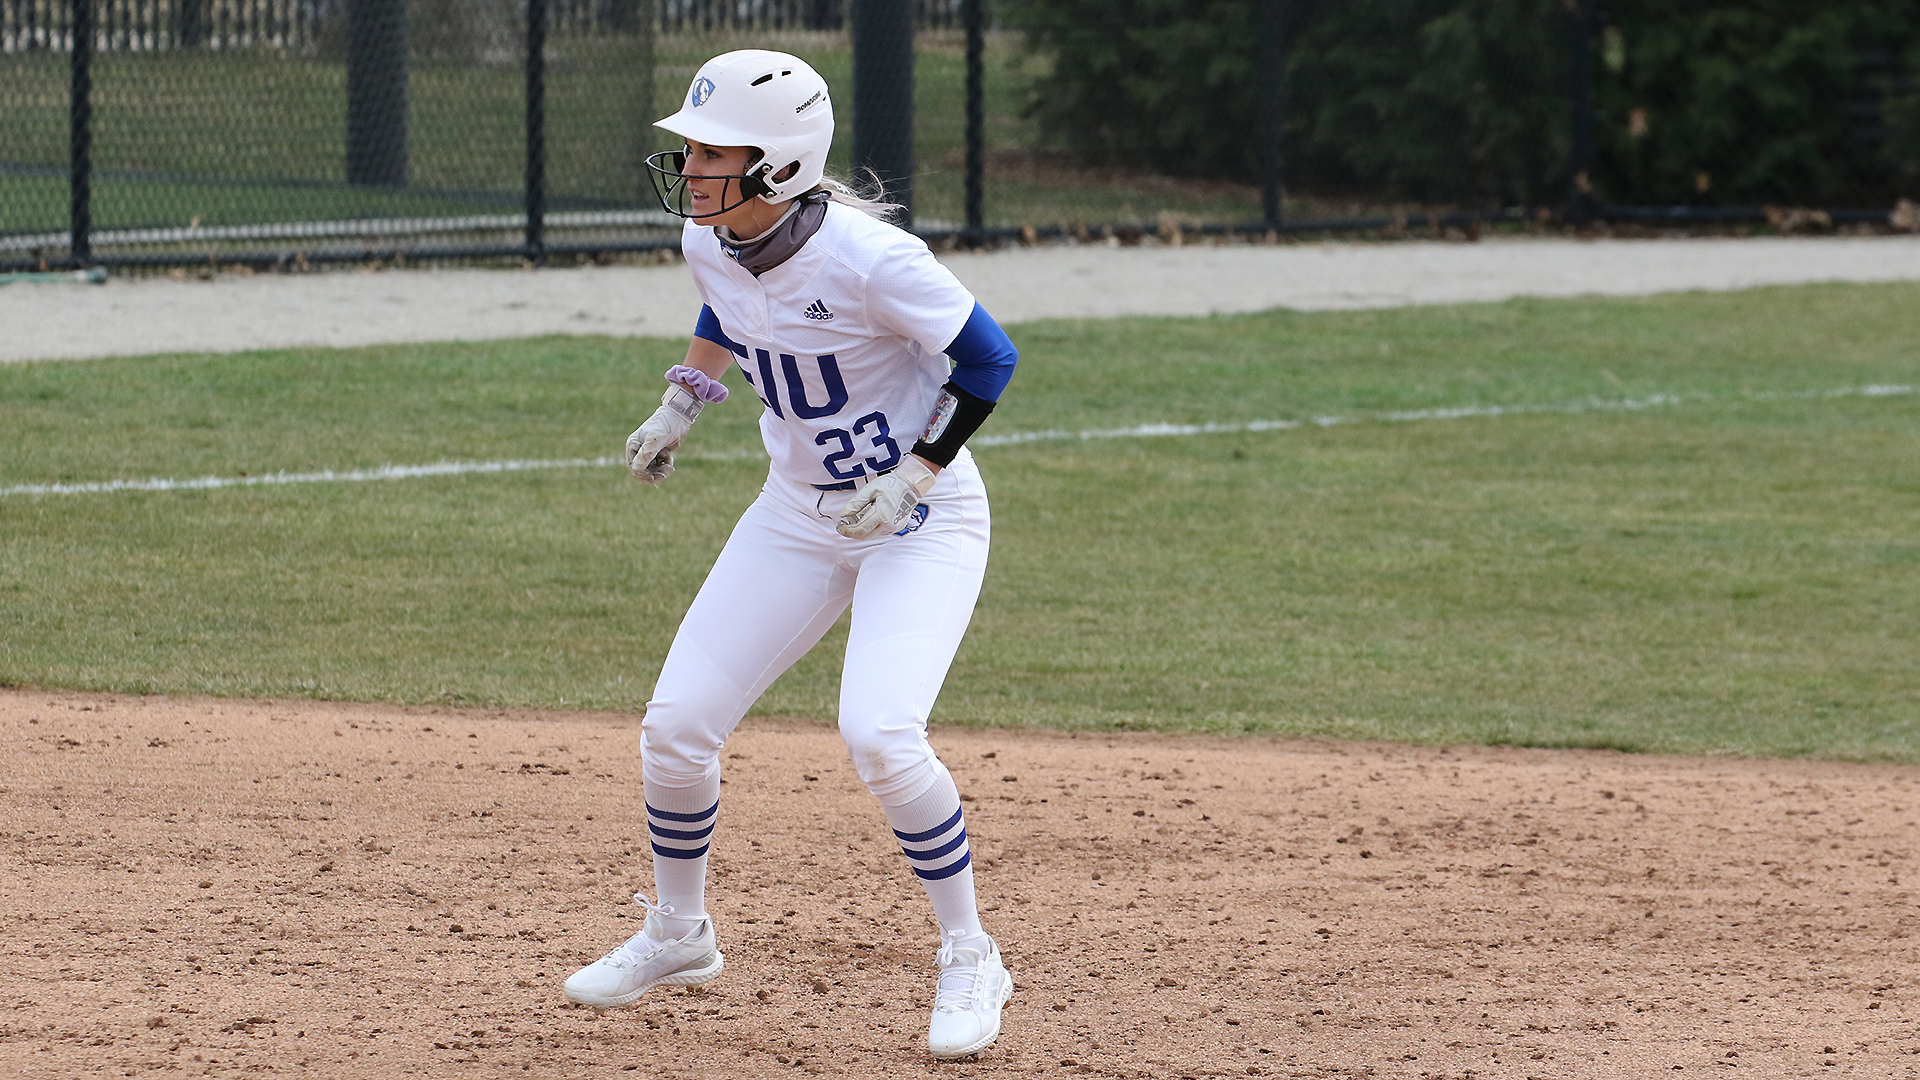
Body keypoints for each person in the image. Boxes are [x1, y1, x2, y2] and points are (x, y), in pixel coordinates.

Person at [560, 50, 1020, 1061]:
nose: (691, 171)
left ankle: (970, 954)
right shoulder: (710, 234)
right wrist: (683, 398)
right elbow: (729, 304)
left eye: (713, 152)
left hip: (919, 522)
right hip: (795, 512)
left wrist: (917, 475)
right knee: (676, 727)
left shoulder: (873, 260)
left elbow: (991, 358)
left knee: (881, 735)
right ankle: (679, 934)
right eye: (689, 151)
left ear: (778, 165)